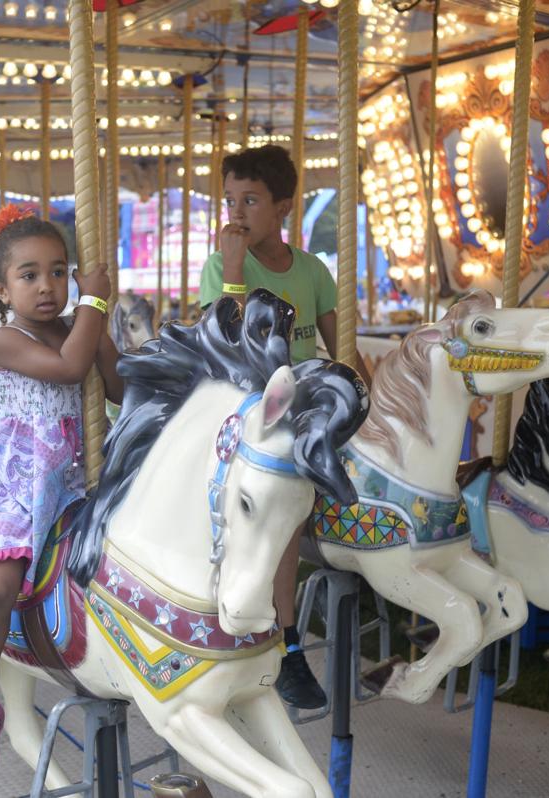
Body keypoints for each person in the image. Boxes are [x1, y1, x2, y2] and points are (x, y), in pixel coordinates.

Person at [198, 144, 369, 711]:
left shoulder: (312, 271)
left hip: (302, 408)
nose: (238, 211)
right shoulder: (222, 267)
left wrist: (369, 403)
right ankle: (284, 646)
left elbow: (341, 348)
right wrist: (236, 271)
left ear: (284, 208)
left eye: (251, 200)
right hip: (242, 408)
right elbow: (224, 342)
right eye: (230, 200)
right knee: (282, 514)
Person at [0, 206, 123, 780]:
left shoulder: (78, 323)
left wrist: (99, 322)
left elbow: (117, 383)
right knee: (0, 584)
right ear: (2, 289)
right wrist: (95, 308)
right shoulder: (6, 339)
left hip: (70, 479)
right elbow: (71, 370)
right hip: (14, 483)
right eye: (29, 275)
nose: (47, 286)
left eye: (58, 271)